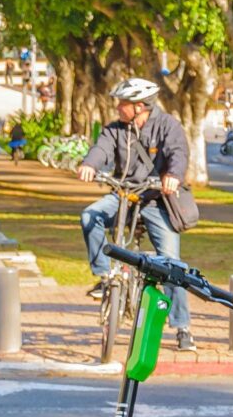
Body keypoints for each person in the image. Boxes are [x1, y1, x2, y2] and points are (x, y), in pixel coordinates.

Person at [76, 77, 198, 352]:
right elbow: (100, 149)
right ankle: (104, 275)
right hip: (123, 196)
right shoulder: (115, 130)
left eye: (123, 103)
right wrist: (89, 164)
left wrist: (173, 175)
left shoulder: (167, 125)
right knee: (90, 216)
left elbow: (178, 153)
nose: (118, 107)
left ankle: (182, 327)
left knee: (171, 263)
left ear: (140, 106)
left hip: (155, 200)